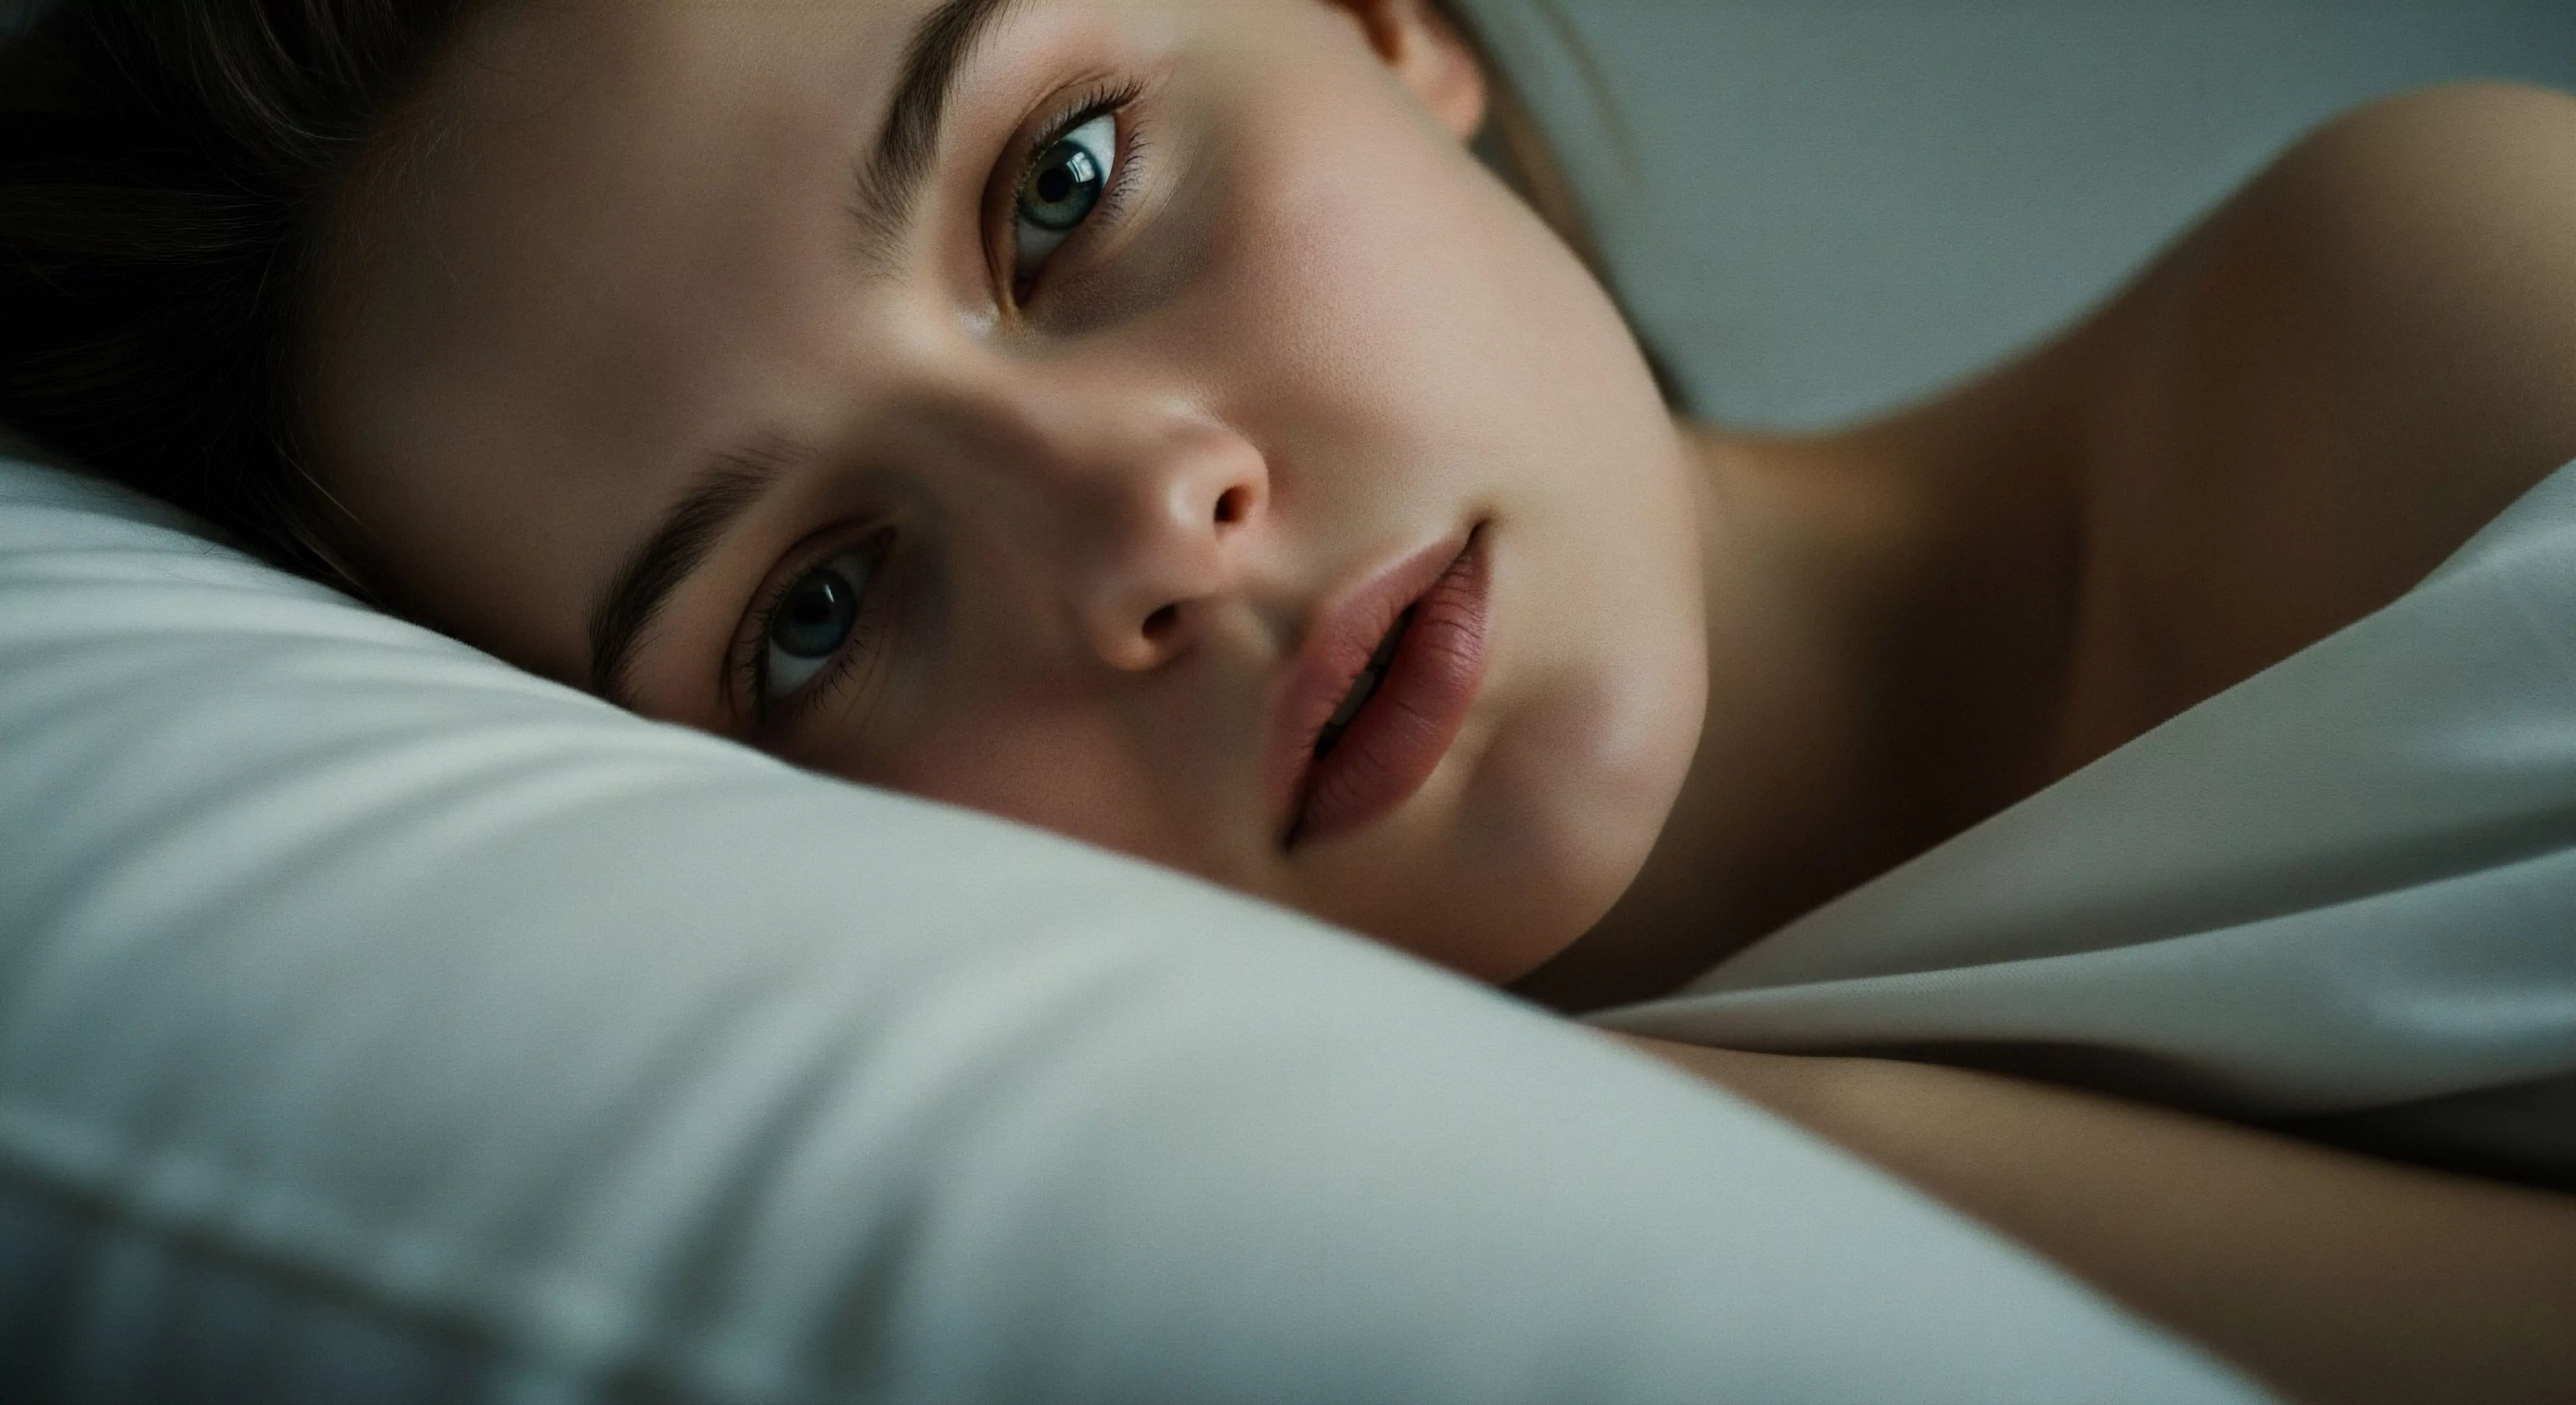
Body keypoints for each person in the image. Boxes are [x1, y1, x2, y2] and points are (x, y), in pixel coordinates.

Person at [2, 2, 2571, 1398]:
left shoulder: (2433, 322)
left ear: (1383, 22)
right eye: (810, 613)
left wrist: (1786, 1131)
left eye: (1066, 185)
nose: (1139, 530)